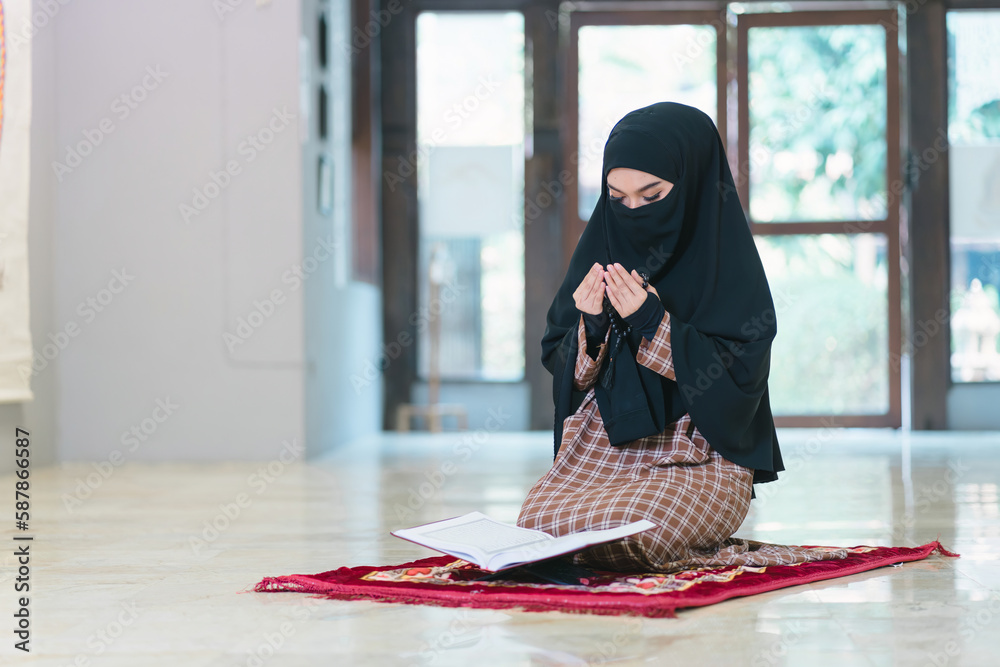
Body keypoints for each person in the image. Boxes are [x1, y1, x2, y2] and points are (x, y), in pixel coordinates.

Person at [516, 102, 848, 573]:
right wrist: (590, 326)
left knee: (634, 529)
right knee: (538, 524)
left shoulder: (728, 268)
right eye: (617, 197)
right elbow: (562, 359)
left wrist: (654, 321)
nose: (632, 212)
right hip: (604, 452)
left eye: (652, 197)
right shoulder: (602, 246)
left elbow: (740, 378)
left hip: (700, 458)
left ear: (691, 186)